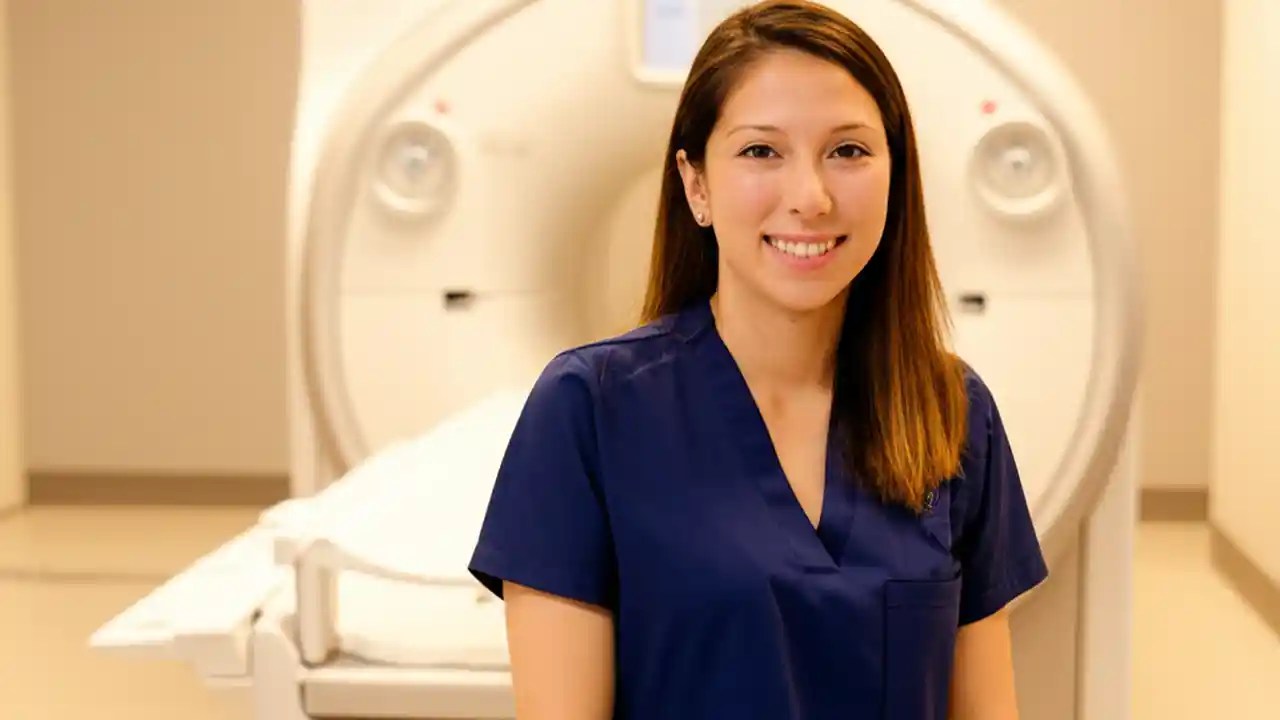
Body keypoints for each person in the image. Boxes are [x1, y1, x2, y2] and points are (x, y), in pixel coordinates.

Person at [468, 1, 1048, 717]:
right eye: (760, 151)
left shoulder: (951, 411)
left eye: (849, 151)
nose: (810, 197)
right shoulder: (591, 408)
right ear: (696, 185)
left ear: (897, 176)